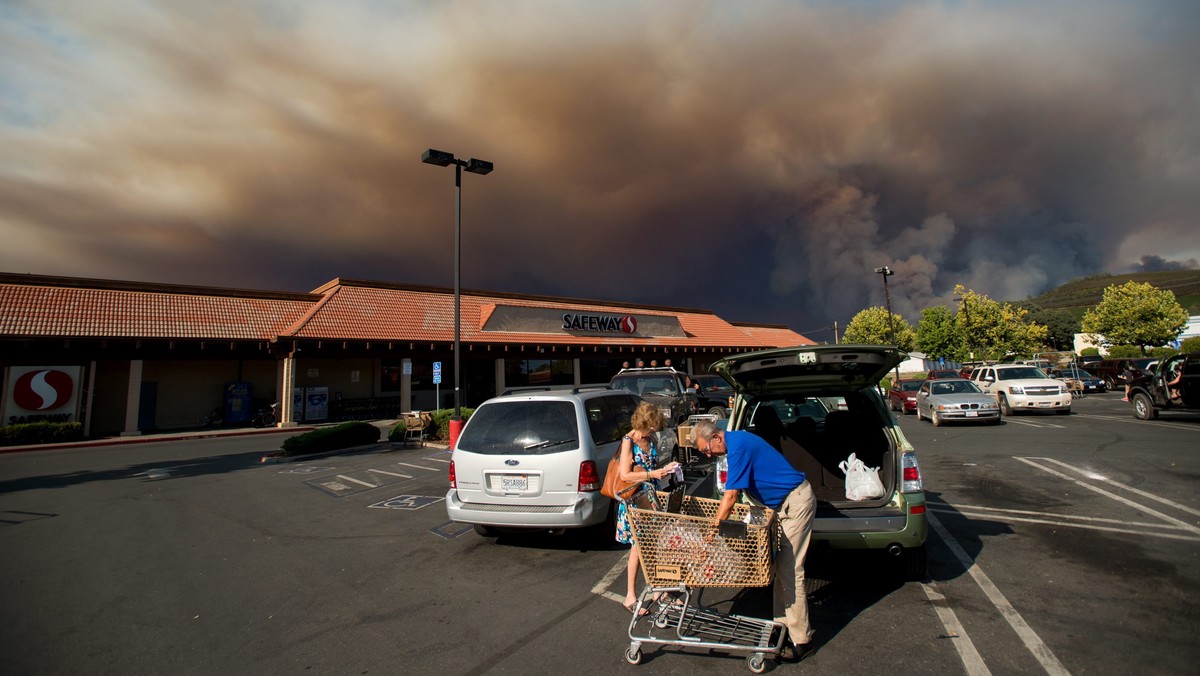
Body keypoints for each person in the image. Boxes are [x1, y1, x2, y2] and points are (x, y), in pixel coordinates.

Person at [691, 418, 816, 662]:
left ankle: (802, 640)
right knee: (780, 570)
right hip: (781, 507)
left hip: (795, 504)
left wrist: (710, 535)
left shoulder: (738, 447)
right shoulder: (736, 442)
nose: (707, 456)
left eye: (706, 450)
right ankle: (781, 629)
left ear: (716, 438)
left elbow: (730, 497)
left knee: (791, 571)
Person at [615, 402, 680, 615]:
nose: (653, 430)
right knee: (638, 548)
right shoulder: (628, 441)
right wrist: (652, 475)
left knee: (655, 545)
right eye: (651, 426)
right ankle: (630, 596)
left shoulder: (650, 439)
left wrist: (665, 470)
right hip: (635, 501)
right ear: (642, 423)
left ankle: (658, 590)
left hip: (651, 499)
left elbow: (652, 467)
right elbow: (625, 475)